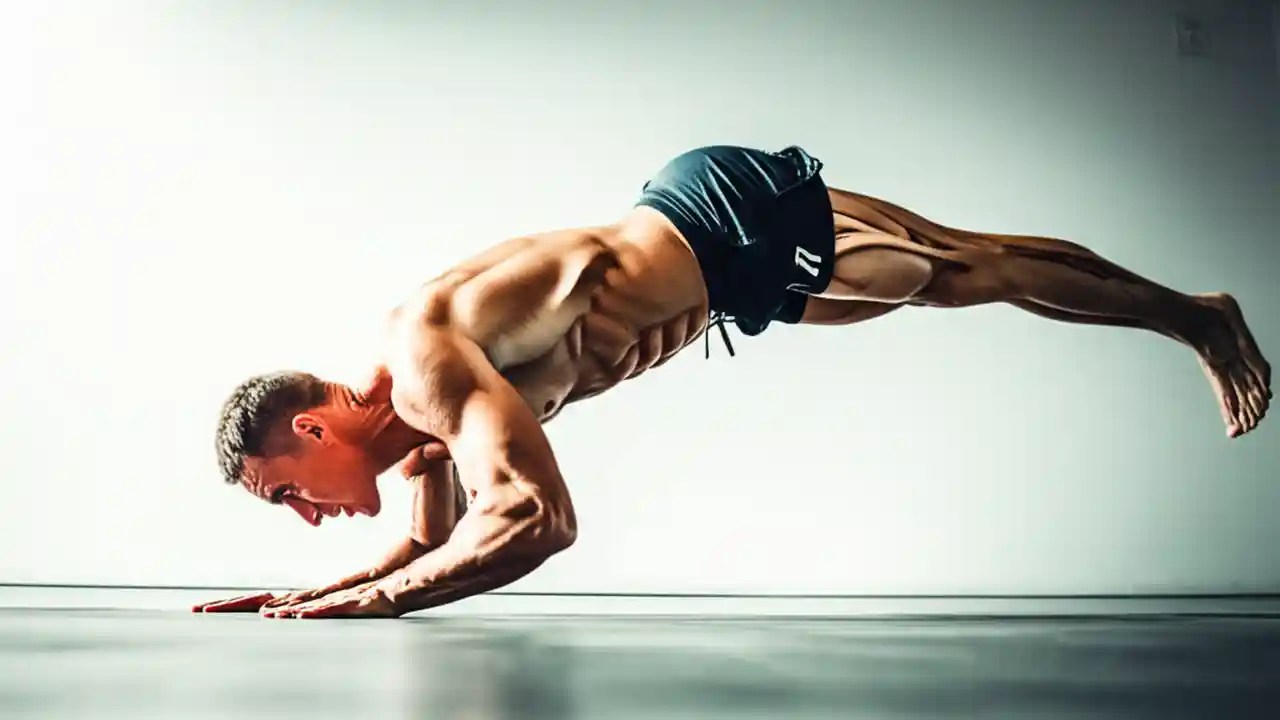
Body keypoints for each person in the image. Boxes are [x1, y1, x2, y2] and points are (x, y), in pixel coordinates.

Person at [192, 144, 1271, 619]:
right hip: (723, 283)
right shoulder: (418, 431)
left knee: (959, 271)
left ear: (317, 422)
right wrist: (314, 597)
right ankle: (1191, 318)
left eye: (283, 488)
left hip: (716, 224)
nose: (300, 518)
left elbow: (533, 517)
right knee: (951, 275)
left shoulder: (426, 376)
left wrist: (375, 602)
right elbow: (435, 538)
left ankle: (1195, 318)